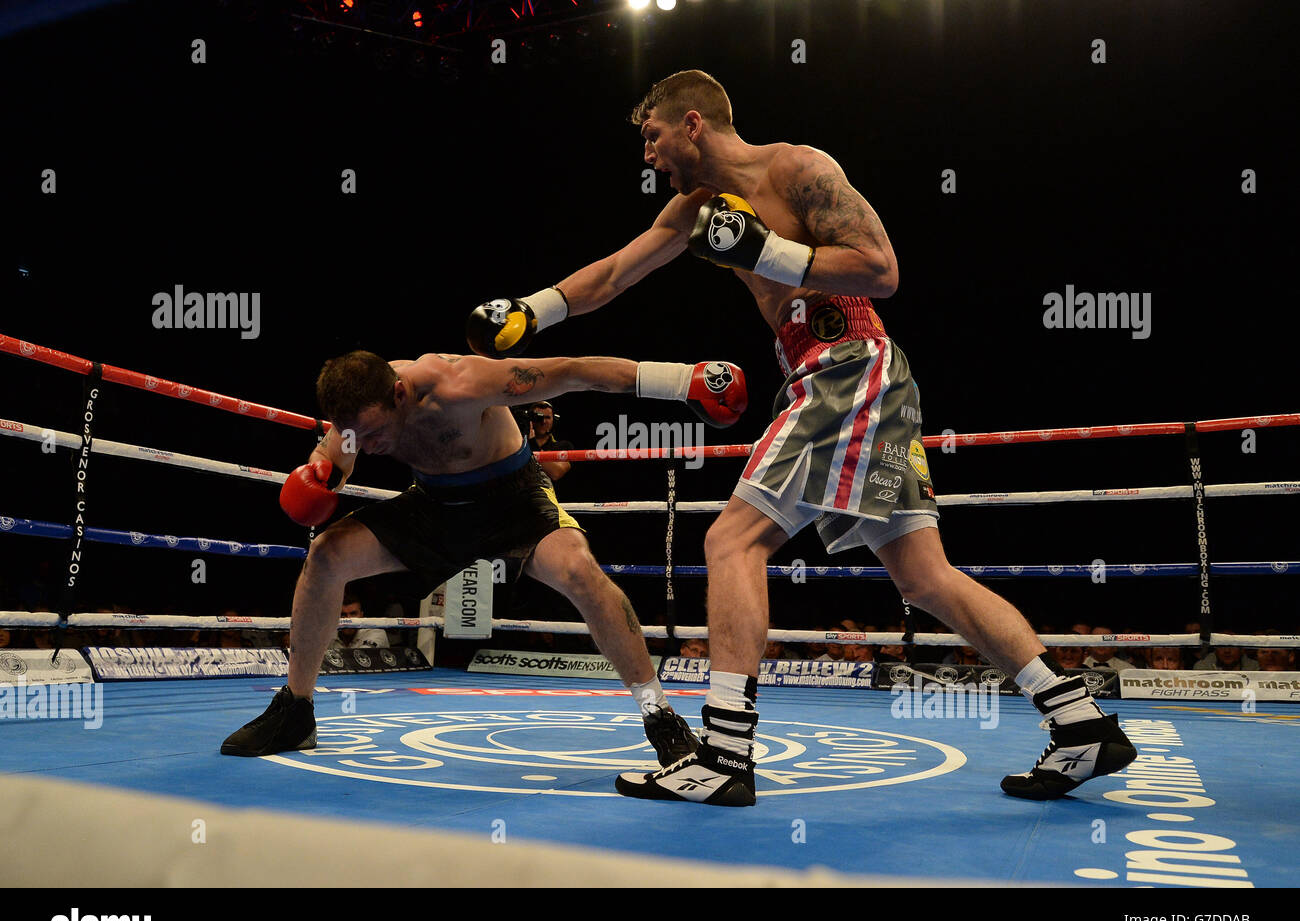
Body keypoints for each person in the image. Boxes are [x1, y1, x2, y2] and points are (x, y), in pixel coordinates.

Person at [467, 70, 1135, 805]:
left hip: (847, 367)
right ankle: (1080, 722)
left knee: (730, 542)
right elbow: (616, 274)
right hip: (860, 385)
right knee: (922, 577)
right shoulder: (694, 213)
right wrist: (530, 311)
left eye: (652, 136)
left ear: (693, 123)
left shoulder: (800, 168)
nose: (648, 156)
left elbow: (882, 270)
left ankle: (723, 757)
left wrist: (769, 253)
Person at [221, 348, 747, 766]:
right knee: (327, 553)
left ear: (400, 392)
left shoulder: (460, 384)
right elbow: (334, 457)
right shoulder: (357, 418)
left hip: (512, 498)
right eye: (359, 435)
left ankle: (661, 719)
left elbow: (573, 371)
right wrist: (319, 474)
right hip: (434, 505)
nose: (371, 445)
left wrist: (682, 380)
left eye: (378, 432)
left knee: (579, 571)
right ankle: (296, 710)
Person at [525, 401, 573, 484]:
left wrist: (533, 445)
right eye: (539, 417)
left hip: (549, 494)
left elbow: (556, 473)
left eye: (547, 417)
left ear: (554, 420)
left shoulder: (562, 446)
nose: (543, 421)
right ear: (531, 419)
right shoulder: (520, 443)